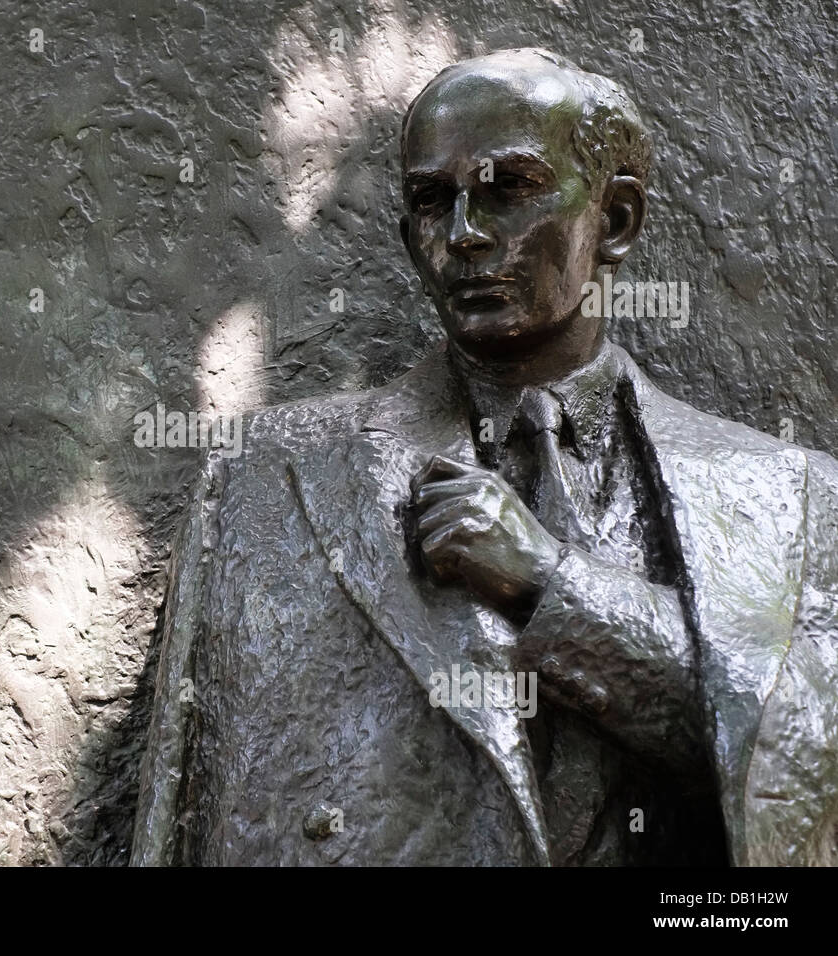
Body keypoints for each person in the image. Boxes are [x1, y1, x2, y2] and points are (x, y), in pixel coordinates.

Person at [131, 48, 838, 866]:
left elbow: (806, 767)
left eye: (510, 190)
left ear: (615, 221)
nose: (464, 235)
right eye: (433, 201)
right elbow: (187, 816)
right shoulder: (265, 473)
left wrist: (551, 586)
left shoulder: (797, 501)